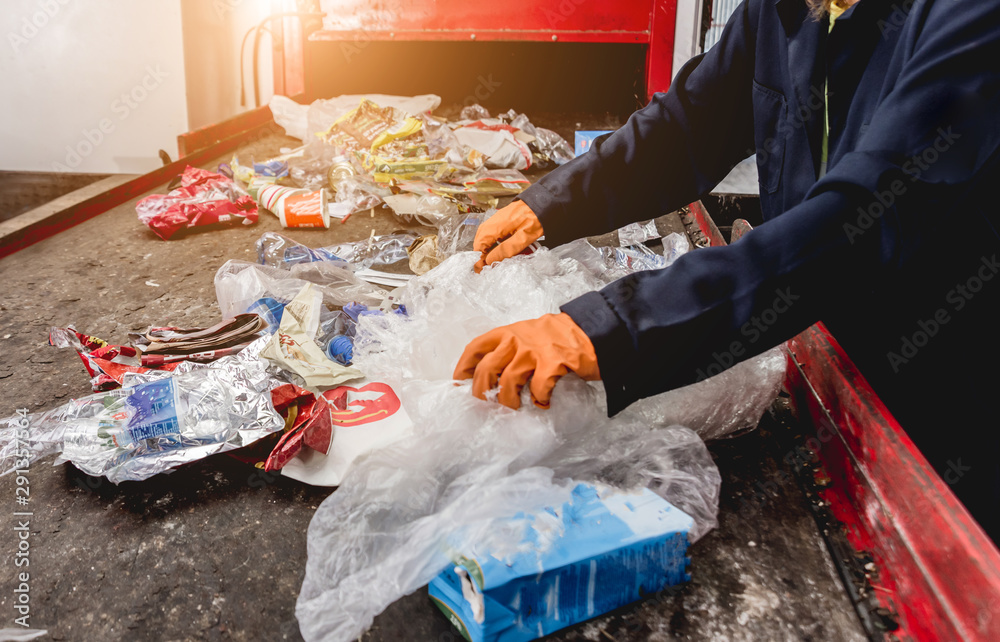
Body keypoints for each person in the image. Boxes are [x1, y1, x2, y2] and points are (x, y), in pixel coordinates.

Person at [454, 0, 1000, 540]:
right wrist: (551, 204)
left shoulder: (971, 19)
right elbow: (688, 127)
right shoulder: (788, 8)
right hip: (817, 348)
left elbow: (862, 216)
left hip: (939, 393)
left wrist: (610, 327)